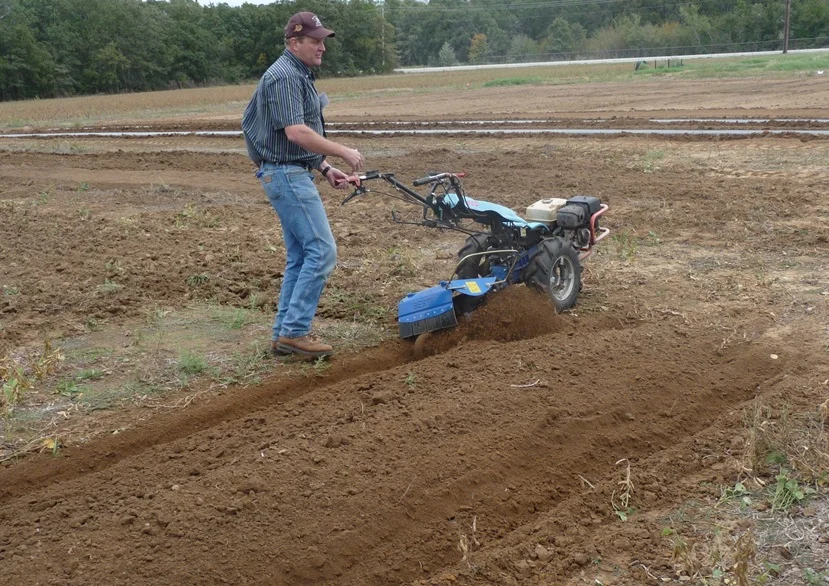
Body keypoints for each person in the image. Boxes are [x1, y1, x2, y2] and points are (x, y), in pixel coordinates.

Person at [242, 11, 363, 359]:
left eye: (323, 40)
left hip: (289, 171)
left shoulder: (297, 75)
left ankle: (284, 335)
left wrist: (325, 169)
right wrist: (342, 152)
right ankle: (295, 333)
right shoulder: (284, 77)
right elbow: (296, 132)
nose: (322, 47)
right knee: (322, 252)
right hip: (285, 174)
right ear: (295, 43)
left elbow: (290, 139)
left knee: (301, 256)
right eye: (316, 40)